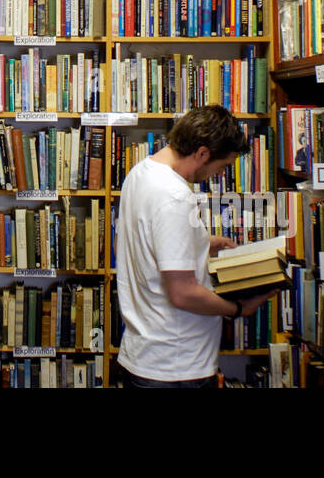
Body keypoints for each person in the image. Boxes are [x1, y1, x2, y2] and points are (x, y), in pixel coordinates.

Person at [115, 104, 279, 388]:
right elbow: (183, 294)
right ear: (202, 153)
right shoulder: (174, 196)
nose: (217, 174)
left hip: (144, 354)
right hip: (176, 365)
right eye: (222, 166)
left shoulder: (140, 173)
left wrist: (202, 243)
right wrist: (239, 309)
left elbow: (144, 241)